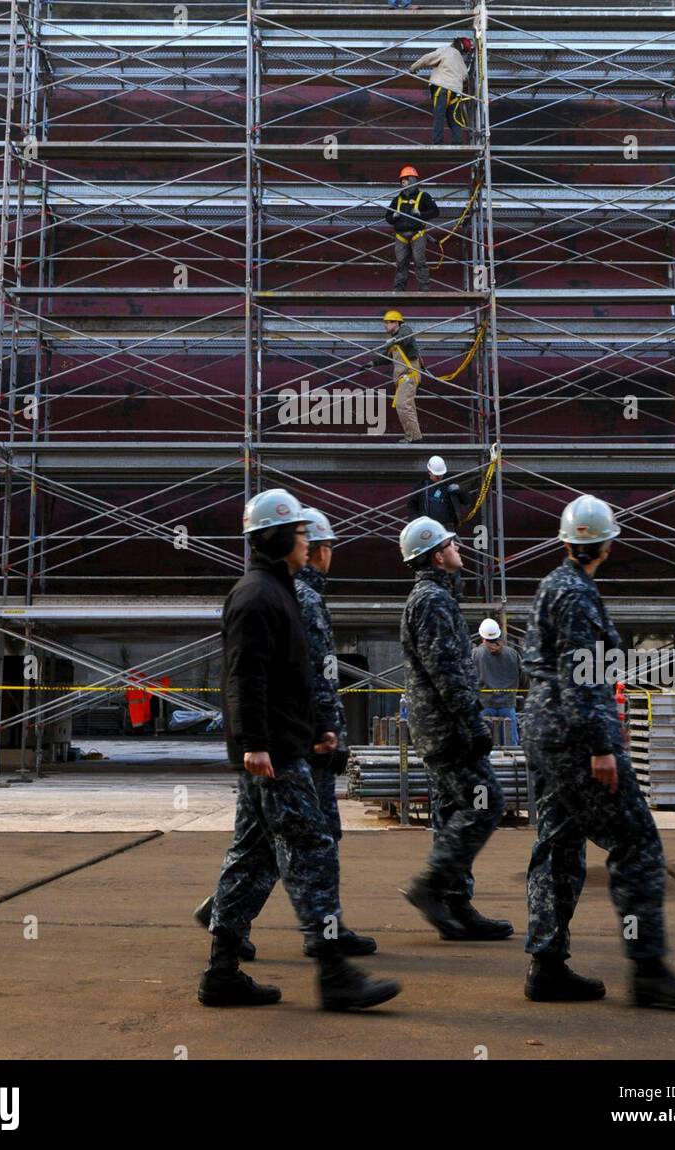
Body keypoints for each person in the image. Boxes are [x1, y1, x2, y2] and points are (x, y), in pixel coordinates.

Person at [197, 488, 400, 1012]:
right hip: (274, 756)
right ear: (280, 536)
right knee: (313, 850)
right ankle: (334, 974)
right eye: (303, 532)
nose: (309, 541)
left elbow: (295, 677)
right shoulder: (257, 596)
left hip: (287, 744)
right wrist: (256, 744)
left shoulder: (280, 590)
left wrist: (317, 729)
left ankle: (221, 972)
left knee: (252, 855)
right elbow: (245, 676)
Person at [521, 494, 675, 1009]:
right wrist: (601, 746)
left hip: (546, 731)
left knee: (559, 846)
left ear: (566, 541)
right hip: (576, 735)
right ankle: (648, 970)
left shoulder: (552, 587)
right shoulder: (578, 595)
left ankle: (547, 967)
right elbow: (583, 676)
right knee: (637, 844)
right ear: (606, 544)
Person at [398, 514, 514, 942]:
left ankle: (455, 906)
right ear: (436, 555)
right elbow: (447, 672)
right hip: (447, 728)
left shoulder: (434, 597)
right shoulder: (432, 600)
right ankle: (429, 888)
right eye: (452, 544)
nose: (459, 549)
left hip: (436, 726)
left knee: (451, 813)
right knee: (486, 802)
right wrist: (473, 722)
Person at [294, 506, 376, 956]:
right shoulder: (306, 599)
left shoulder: (290, 594)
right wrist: (327, 729)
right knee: (317, 836)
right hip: (306, 743)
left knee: (274, 838)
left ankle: (224, 918)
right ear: (320, 551)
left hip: (292, 739)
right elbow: (318, 674)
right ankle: (326, 937)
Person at [386, 163, 439, 291]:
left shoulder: (423, 197)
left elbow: (435, 212)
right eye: (402, 180)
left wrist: (421, 214)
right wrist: (393, 216)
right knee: (401, 263)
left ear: (411, 180)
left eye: (405, 179)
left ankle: (424, 288)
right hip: (401, 236)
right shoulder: (397, 199)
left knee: (419, 261)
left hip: (418, 234)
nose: (402, 182)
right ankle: (399, 288)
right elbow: (387, 217)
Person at [473, 618, 526, 747]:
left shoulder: (475, 654)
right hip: (507, 704)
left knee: (482, 745)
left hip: (484, 704)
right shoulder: (513, 654)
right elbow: (524, 678)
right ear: (499, 634)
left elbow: (468, 680)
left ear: (481, 635)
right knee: (512, 746)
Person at [410, 37, 473, 143]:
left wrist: (413, 67)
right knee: (454, 119)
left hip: (442, 88)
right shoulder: (461, 61)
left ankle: (437, 142)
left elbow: (427, 58)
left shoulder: (446, 51)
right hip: (456, 92)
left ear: (454, 43)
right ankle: (457, 142)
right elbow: (465, 76)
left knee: (439, 116)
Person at [374, 308, 422, 442]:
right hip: (403, 378)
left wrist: (394, 340)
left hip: (409, 376)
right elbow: (387, 357)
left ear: (396, 323)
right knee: (405, 406)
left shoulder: (405, 331)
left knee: (403, 404)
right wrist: (372, 363)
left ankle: (415, 438)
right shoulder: (394, 342)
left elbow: (404, 338)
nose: (385, 325)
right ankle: (412, 437)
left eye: (388, 322)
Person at [407, 453, 469, 529]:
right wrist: (417, 523)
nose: (439, 477)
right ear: (429, 472)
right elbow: (411, 506)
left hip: (448, 527)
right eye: (436, 475)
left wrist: (460, 490)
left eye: (441, 474)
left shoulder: (450, 483)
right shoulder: (421, 486)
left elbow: (467, 501)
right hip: (428, 527)